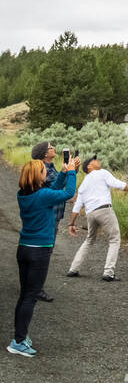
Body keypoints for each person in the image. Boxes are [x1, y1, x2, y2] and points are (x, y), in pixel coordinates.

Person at [7, 153, 79, 357]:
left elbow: (53, 190)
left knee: (25, 295)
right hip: (40, 251)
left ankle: (20, 336)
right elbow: (68, 193)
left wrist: (64, 173)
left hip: (24, 249)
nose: (46, 171)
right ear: (37, 175)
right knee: (31, 296)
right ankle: (18, 341)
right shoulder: (42, 196)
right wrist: (72, 171)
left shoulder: (25, 194)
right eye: (44, 170)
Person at [67, 155, 128, 281]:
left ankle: (73, 269)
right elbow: (118, 184)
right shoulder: (101, 173)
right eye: (94, 160)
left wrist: (71, 223)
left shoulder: (84, 183)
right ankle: (108, 272)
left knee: (89, 240)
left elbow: (77, 205)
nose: (98, 161)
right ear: (89, 166)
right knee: (114, 239)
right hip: (104, 210)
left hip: (90, 214)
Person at [28, 141, 68, 301]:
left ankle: (32, 284)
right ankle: (36, 288)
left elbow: (60, 182)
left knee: (41, 250)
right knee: (44, 251)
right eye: (51, 147)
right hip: (48, 216)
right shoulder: (43, 168)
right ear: (45, 153)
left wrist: (71, 169)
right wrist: (69, 172)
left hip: (52, 214)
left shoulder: (49, 167)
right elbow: (58, 186)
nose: (54, 148)